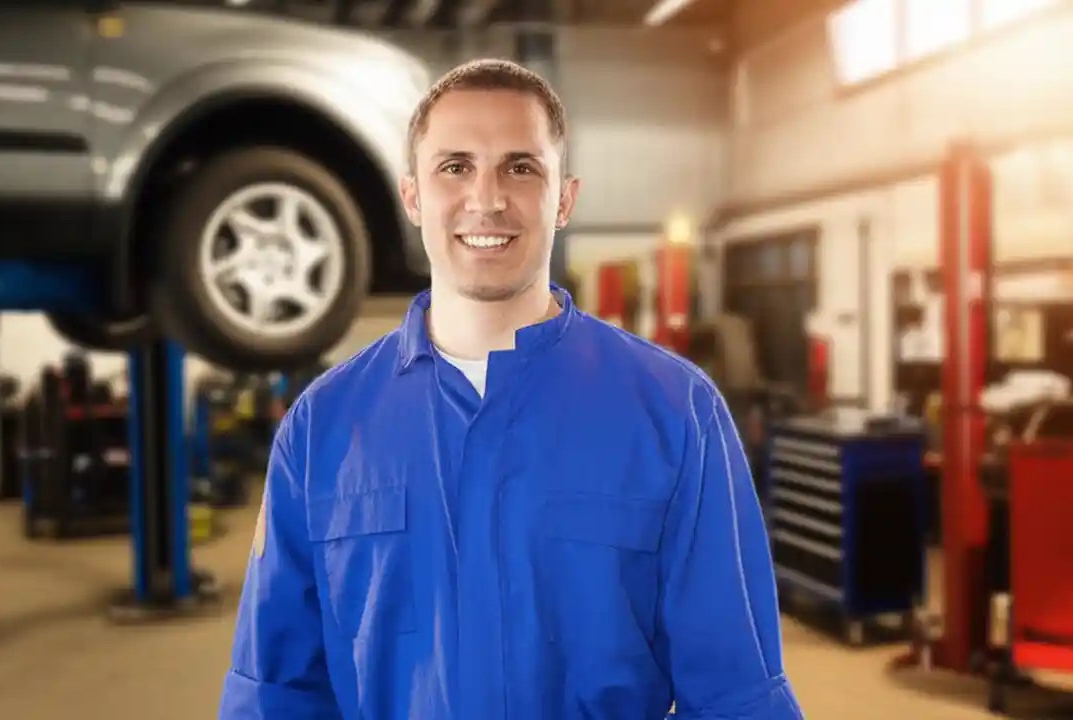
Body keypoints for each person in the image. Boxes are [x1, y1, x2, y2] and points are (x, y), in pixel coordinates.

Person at [219, 58, 804, 720]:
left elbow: (737, 694)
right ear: (413, 197)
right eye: (455, 167)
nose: (488, 198)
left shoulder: (674, 412)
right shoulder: (321, 428)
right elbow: (275, 693)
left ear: (565, 198)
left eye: (520, 168)